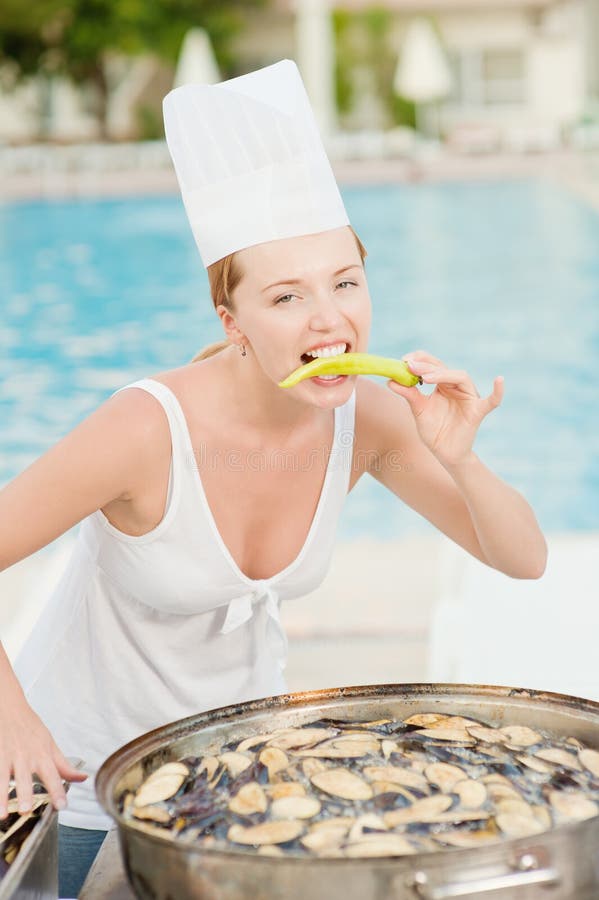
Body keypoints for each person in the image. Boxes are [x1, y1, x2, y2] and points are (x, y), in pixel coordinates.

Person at [0, 60, 547, 895]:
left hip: (230, 786)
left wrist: (459, 458)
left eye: (345, 283)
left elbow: (523, 559)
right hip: (78, 782)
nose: (328, 317)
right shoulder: (146, 428)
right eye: (286, 296)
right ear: (234, 322)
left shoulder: (365, 414)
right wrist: (13, 719)